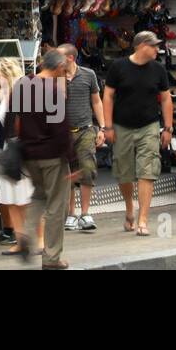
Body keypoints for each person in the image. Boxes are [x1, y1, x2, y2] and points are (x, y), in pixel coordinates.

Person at [8, 49, 78, 269]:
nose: (65, 73)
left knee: (38, 196)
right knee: (57, 207)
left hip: (29, 153)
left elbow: (14, 118)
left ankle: (27, 234)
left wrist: (21, 145)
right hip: (52, 155)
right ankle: (51, 257)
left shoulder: (23, 85)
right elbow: (61, 130)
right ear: (57, 67)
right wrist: (72, 161)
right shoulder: (53, 92)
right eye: (64, 69)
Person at [102, 30, 172, 236]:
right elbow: (108, 96)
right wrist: (108, 126)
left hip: (149, 126)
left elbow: (166, 98)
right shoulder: (119, 67)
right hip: (122, 126)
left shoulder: (158, 69)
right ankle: (129, 209)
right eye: (154, 46)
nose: (157, 50)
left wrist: (167, 128)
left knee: (147, 171)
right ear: (142, 46)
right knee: (124, 173)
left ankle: (143, 219)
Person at [58, 43, 104, 231]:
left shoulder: (88, 74)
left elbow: (96, 101)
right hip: (62, 131)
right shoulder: (55, 77)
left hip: (85, 129)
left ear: (70, 58)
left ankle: (85, 213)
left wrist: (102, 127)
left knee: (87, 169)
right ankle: (71, 213)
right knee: (66, 172)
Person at [0, 58, 33, 249]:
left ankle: (27, 238)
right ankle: (21, 238)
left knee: (21, 199)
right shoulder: (8, 96)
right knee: (14, 200)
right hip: (10, 151)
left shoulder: (19, 95)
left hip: (18, 151)